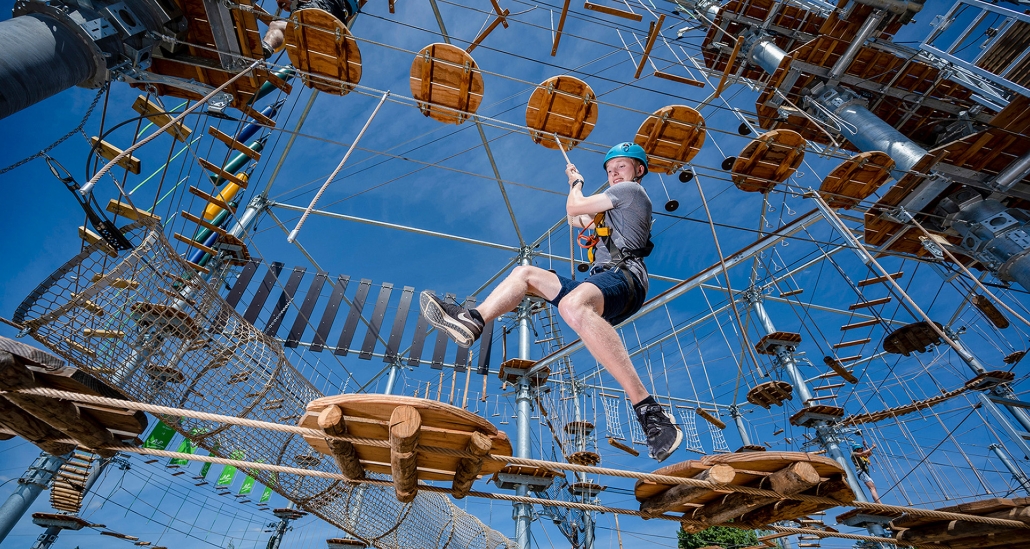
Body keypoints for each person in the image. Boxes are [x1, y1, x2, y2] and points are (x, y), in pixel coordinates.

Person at [420, 142, 683, 462]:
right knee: (525, 274)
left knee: (572, 305)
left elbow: (575, 208)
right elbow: (577, 219)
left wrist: (577, 184)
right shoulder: (611, 212)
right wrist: (574, 186)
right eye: (611, 169)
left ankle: (649, 410)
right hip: (601, 281)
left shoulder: (630, 192)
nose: (615, 173)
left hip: (624, 278)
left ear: (638, 171)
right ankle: (474, 319)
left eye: (622, 167)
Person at [260, 0, 359, 59]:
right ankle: (265, 49)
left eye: (282, 4)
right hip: (336, 22)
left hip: (322, 9)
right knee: (286, 27)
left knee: (277, 26)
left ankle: (264, 49)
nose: (285, 8)